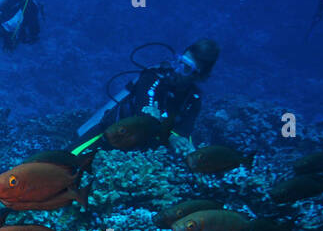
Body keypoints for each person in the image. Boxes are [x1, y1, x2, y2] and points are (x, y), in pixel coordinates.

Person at [73, 39, 220, 153]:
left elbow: (182, 134)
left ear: (200, 76)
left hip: (140, 154)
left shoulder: (193, 101)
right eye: (179, 61)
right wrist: (169, 135)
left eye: (186, 68)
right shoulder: (153, 77)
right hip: (104, 135)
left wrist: (184, 146)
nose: (177, 69)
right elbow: (143, 118)